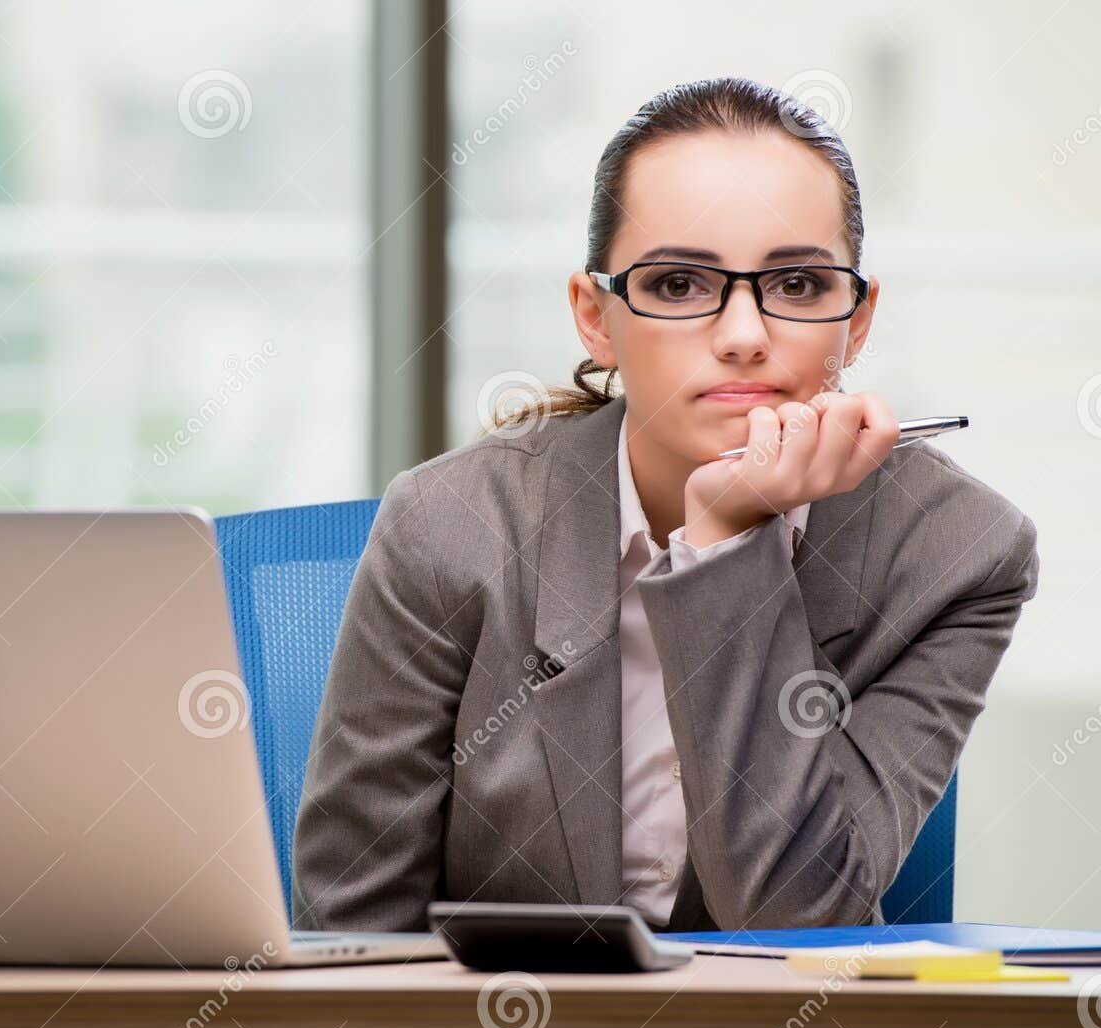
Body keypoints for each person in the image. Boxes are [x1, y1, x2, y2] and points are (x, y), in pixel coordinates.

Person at [291, 76, 1039, 933]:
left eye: (796, 284)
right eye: (680, 284)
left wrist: (724, 545)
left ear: (856, 322)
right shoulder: (449, 522)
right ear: (597, 318)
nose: (744, 334)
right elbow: (349, 940)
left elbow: (800, 923)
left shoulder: (959, 555)